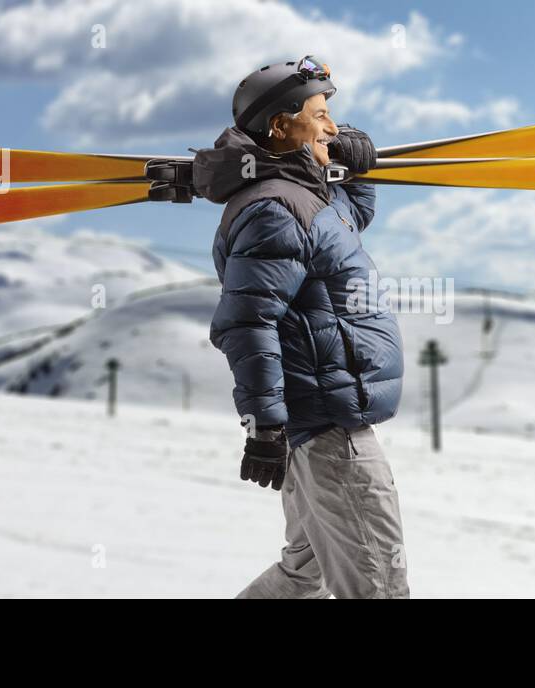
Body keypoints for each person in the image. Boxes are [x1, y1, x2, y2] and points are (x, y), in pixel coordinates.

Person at [192, 56, 408, 599]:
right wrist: (265, 425)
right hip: (331, 429)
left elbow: (343, 223)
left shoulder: (303, 199)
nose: (332, 126)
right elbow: (248, 322)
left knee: (304, 573)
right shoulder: (276, 209)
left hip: (317, 426)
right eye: (321, 115)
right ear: (279, 127)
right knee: (378, 585)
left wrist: (353, 160)